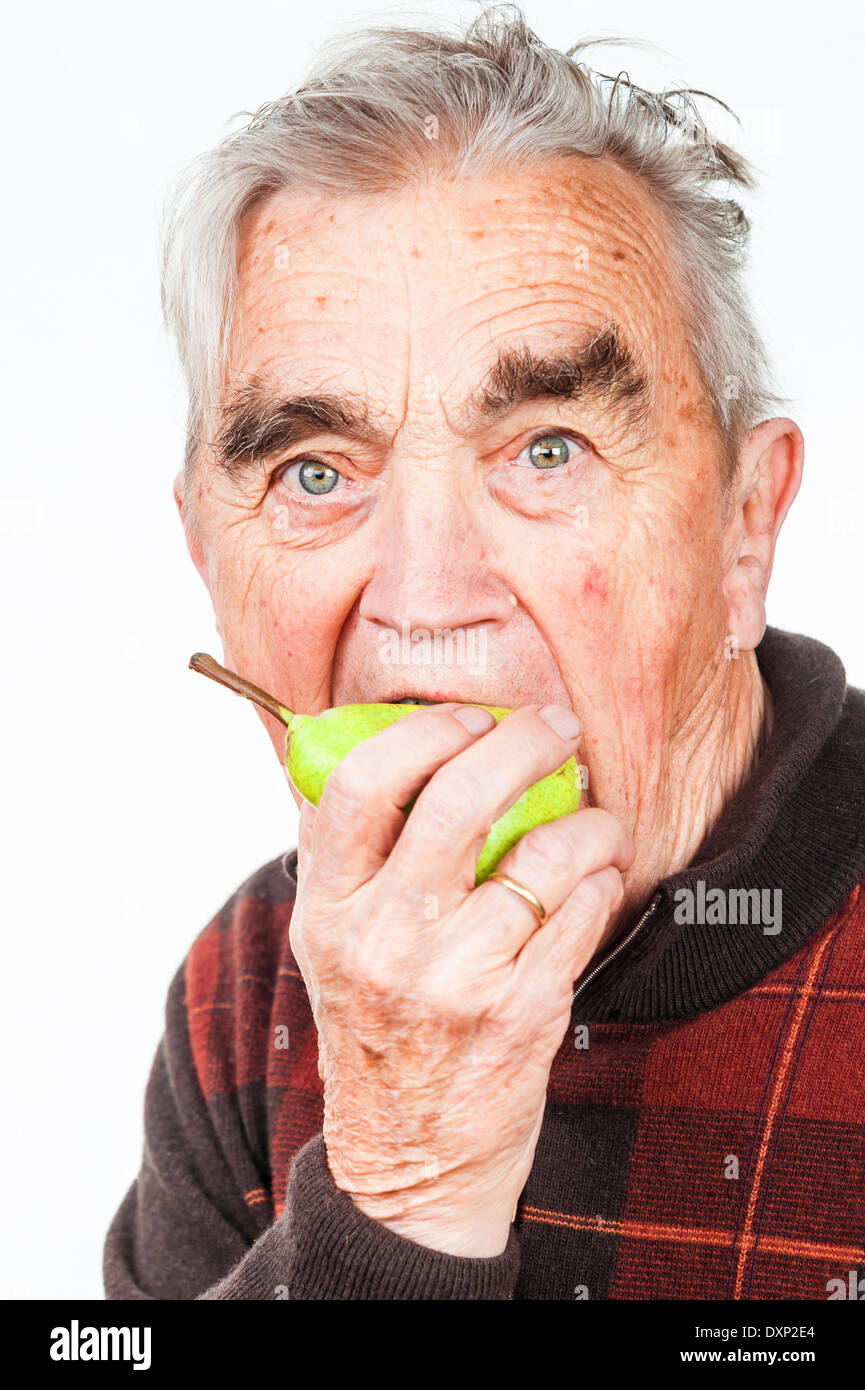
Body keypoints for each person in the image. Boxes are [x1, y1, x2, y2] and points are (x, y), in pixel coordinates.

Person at [104, 6, 865, 1300]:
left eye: (546, 450)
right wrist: (394, 1205)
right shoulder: (245, 992)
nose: (424, 599)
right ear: (206, 560)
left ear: (744, 530)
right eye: (315, 470)